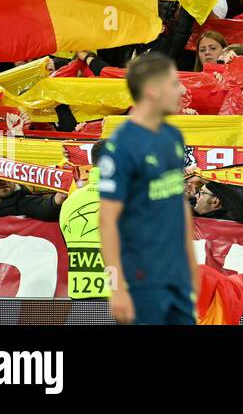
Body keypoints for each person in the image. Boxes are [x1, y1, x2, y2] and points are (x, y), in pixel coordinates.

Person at [99, 53, 199, 326]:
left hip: (177, 276)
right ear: (152, 90)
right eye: (174, 83)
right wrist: (116, 287)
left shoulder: (173, 136)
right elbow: (107, 222)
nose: (181, 90)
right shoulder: (122, 146)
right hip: (141, 279)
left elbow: (179, 204)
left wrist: (191, 266)